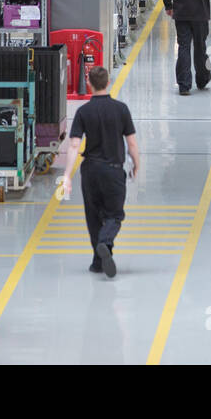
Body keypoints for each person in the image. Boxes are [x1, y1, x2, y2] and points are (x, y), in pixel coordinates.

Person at [59, 66, 140, 278]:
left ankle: (98, 261)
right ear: (108, 82)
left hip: (90, 172)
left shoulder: (83, 111)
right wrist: (136, 164)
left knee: (93, 217)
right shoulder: (121, 109)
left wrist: (67, 175)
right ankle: (105, 244)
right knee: (114, 215)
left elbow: (74, 146)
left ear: (89, 84)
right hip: (113, 171)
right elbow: (131, 143)